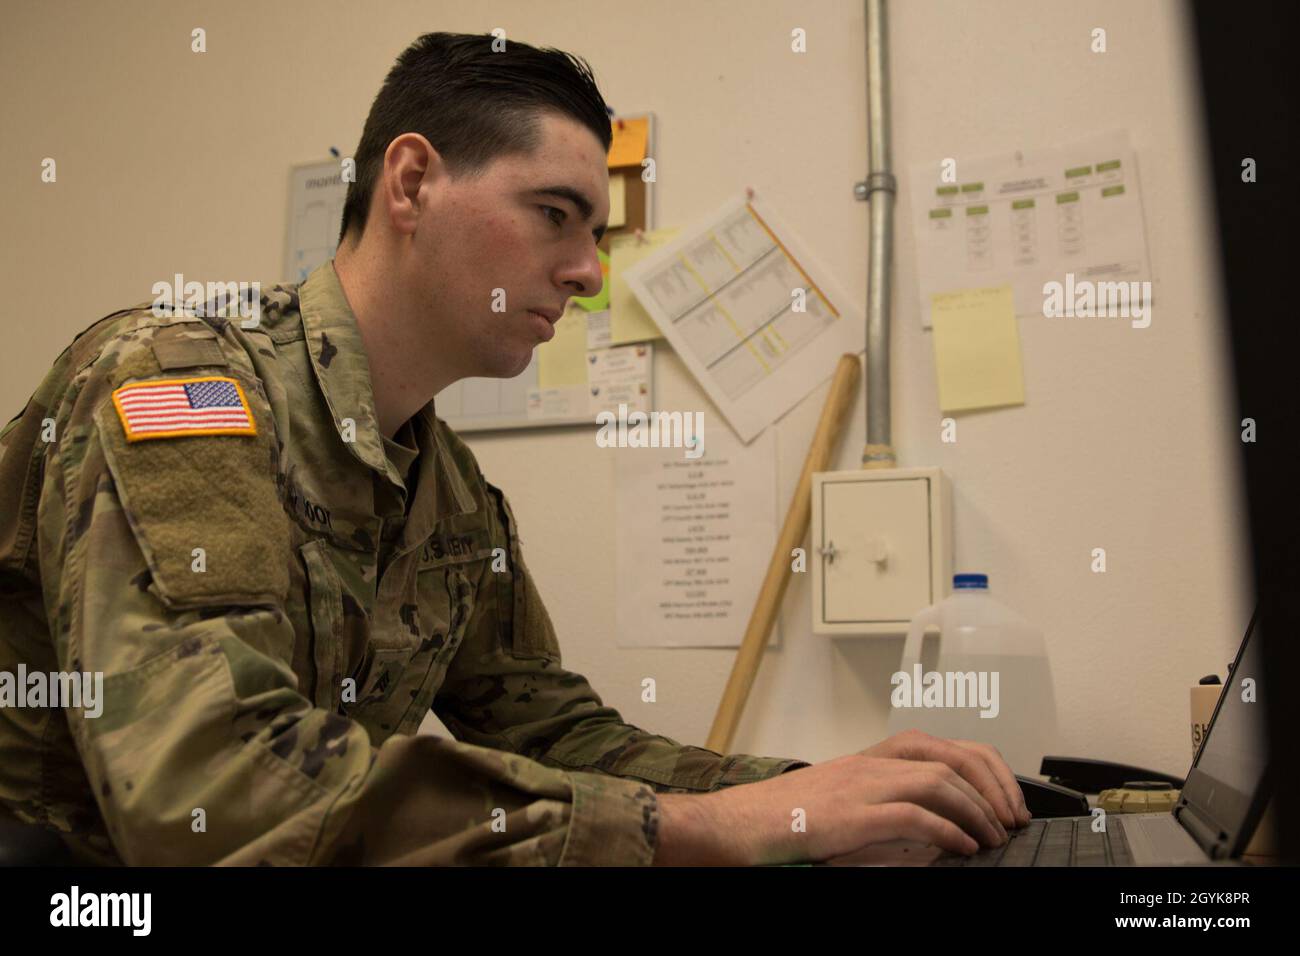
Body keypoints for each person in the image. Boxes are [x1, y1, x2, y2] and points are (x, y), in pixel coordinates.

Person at [0, 31, 1028, 866]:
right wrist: (710, 831)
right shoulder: (179, 385)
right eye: (555, 215)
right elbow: (206, 794)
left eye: (598, 235)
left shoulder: (449, 494)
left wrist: (810, 798)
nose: (587, 273)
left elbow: (555, 735)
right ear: (411, 183)